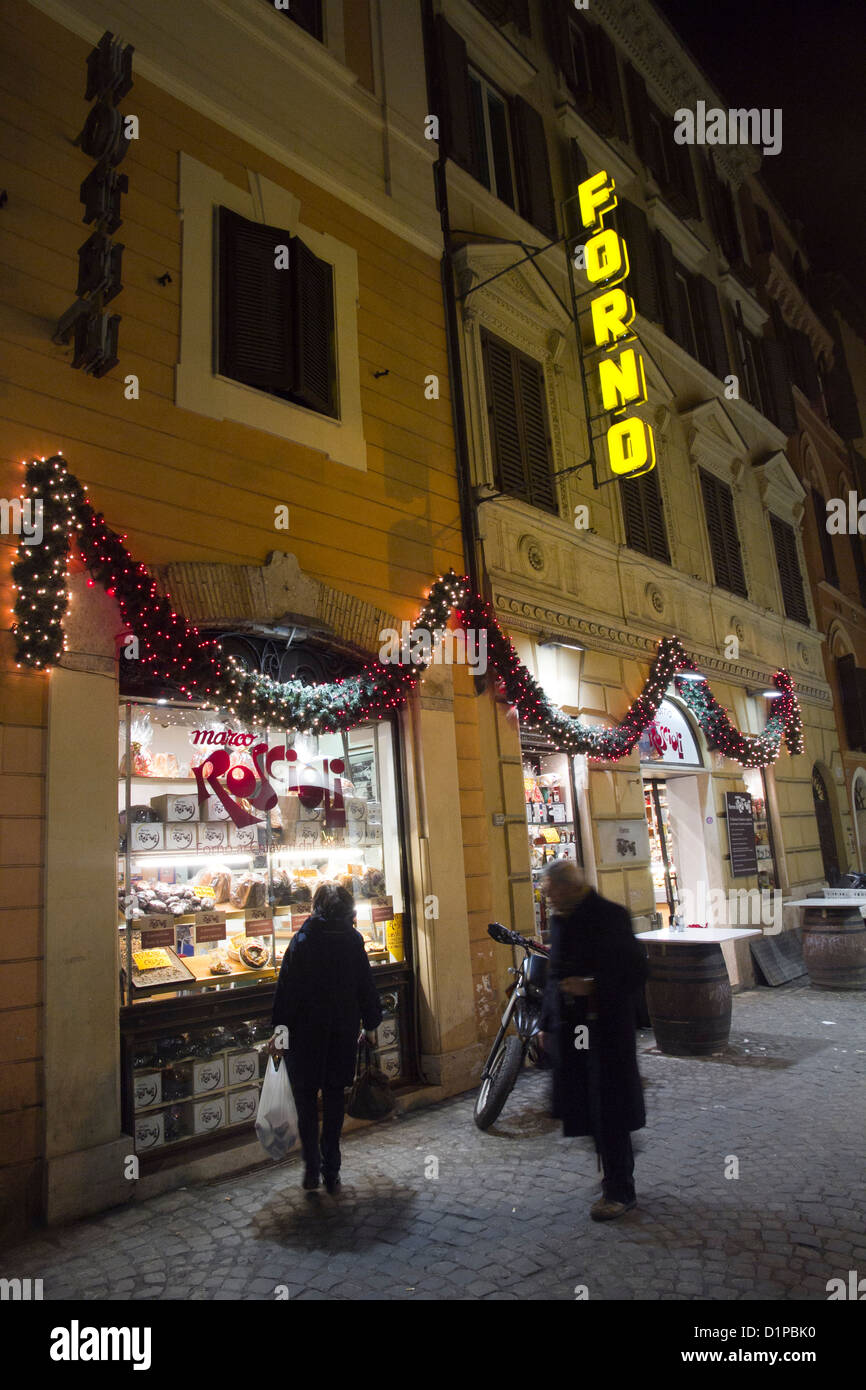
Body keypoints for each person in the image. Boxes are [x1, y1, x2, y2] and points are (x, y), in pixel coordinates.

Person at [538, 859, 648, 1221]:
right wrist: (546, 1024)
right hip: (574, 1031)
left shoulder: (610, 916)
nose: (547, 898)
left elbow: (635, 970)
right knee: (586, 1102)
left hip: (605, 1030)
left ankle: (620, 1189)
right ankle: (611, 1168)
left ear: (570, 886)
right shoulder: (561, 919)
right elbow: (555, 975)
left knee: (608, 1105)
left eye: (551, 891)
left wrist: (593, 985)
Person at [269, 881, 383, 1194]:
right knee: (334, 1096)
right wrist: (371, 1022)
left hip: (306, 1034)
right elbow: (365, 985)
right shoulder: (353, 941)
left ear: (317, 908)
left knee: (306, 1098)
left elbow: (286, 992)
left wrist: (279, 1030)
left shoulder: (303, 941)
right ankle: (332, 1166)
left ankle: (311, 1165)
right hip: (341, 1031)